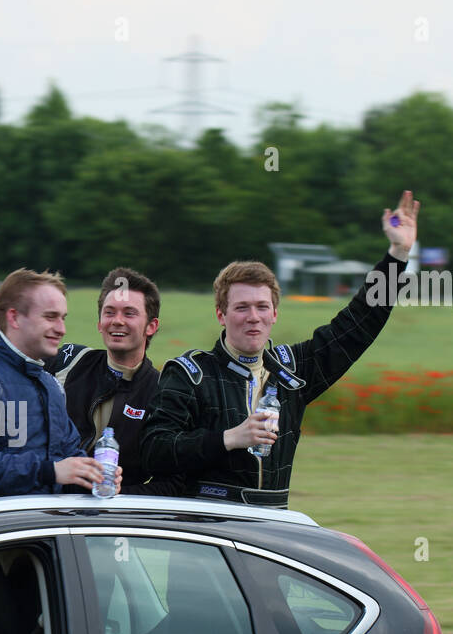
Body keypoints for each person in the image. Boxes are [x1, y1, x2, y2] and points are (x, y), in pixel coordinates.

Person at [140, 190, 420, 508]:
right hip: (207, 529)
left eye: (262, 307)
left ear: (275, 314)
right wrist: (229, 439)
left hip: (272, 526)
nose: (253, 317)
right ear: (221, 314)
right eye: (242, 307)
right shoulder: (191, 373)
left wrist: (397, 254)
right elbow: (154, 451)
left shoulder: (293, 370)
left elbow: (357, 326)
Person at [0, 268, 118, 499]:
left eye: (62, 318)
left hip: (44, 528)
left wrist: (94, 476)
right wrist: (51, 471)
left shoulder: (51, 385)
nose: (61, 329)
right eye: (50, 317)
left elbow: (67, 464)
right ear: (14, 317)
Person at [45, 266, 185, 496]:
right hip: (51, 509)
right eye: (109, 312)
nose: (117, 321)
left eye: (129, 313)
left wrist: (120, 496)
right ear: (100, 323)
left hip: (116, 523)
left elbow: (174, 483)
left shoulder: (163, 392)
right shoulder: (68, 363)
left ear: (152, 326)